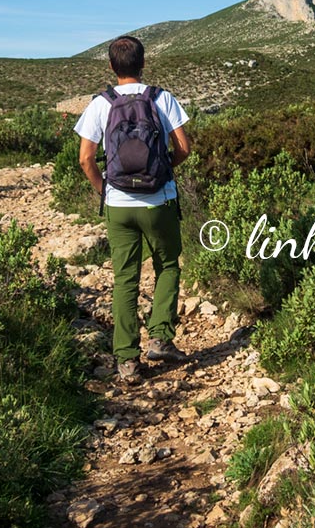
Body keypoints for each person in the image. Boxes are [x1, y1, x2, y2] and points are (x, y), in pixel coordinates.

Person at [73, 35, 192, 384]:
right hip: (159, 201)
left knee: (125, 279)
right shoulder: (161, 98)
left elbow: (85, 159)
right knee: (167, 265)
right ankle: (160, 338)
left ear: (112, 66)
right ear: (143, 63)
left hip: (118, 204)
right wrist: (162, 172)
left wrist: (105, 190)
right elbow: (184, 148)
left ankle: (127, 360)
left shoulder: (101, 103)